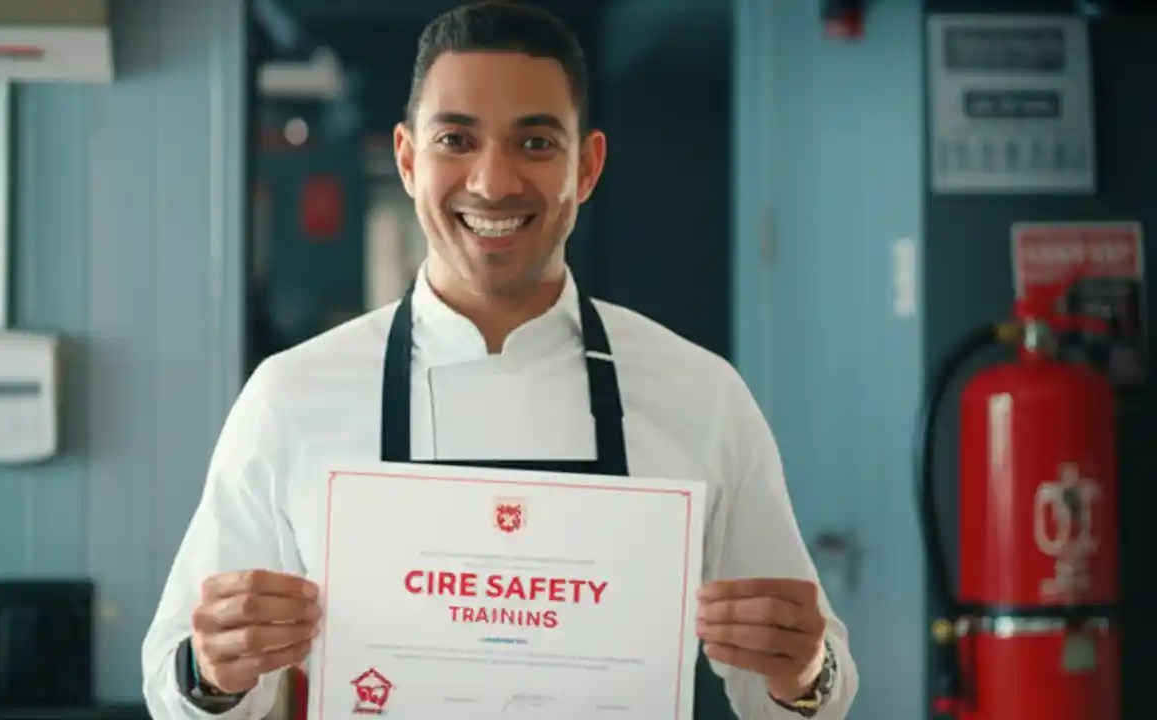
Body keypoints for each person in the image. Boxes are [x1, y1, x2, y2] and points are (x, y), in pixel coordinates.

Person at [141, 1, 858, 718]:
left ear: (588, 166)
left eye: (536, 143)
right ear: (407, 158)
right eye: (456, 139)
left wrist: (805, 672)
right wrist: (212, 669)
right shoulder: (290, 398)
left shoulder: (703, 397)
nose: (492, 182)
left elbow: (817, 693)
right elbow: (173, 686)